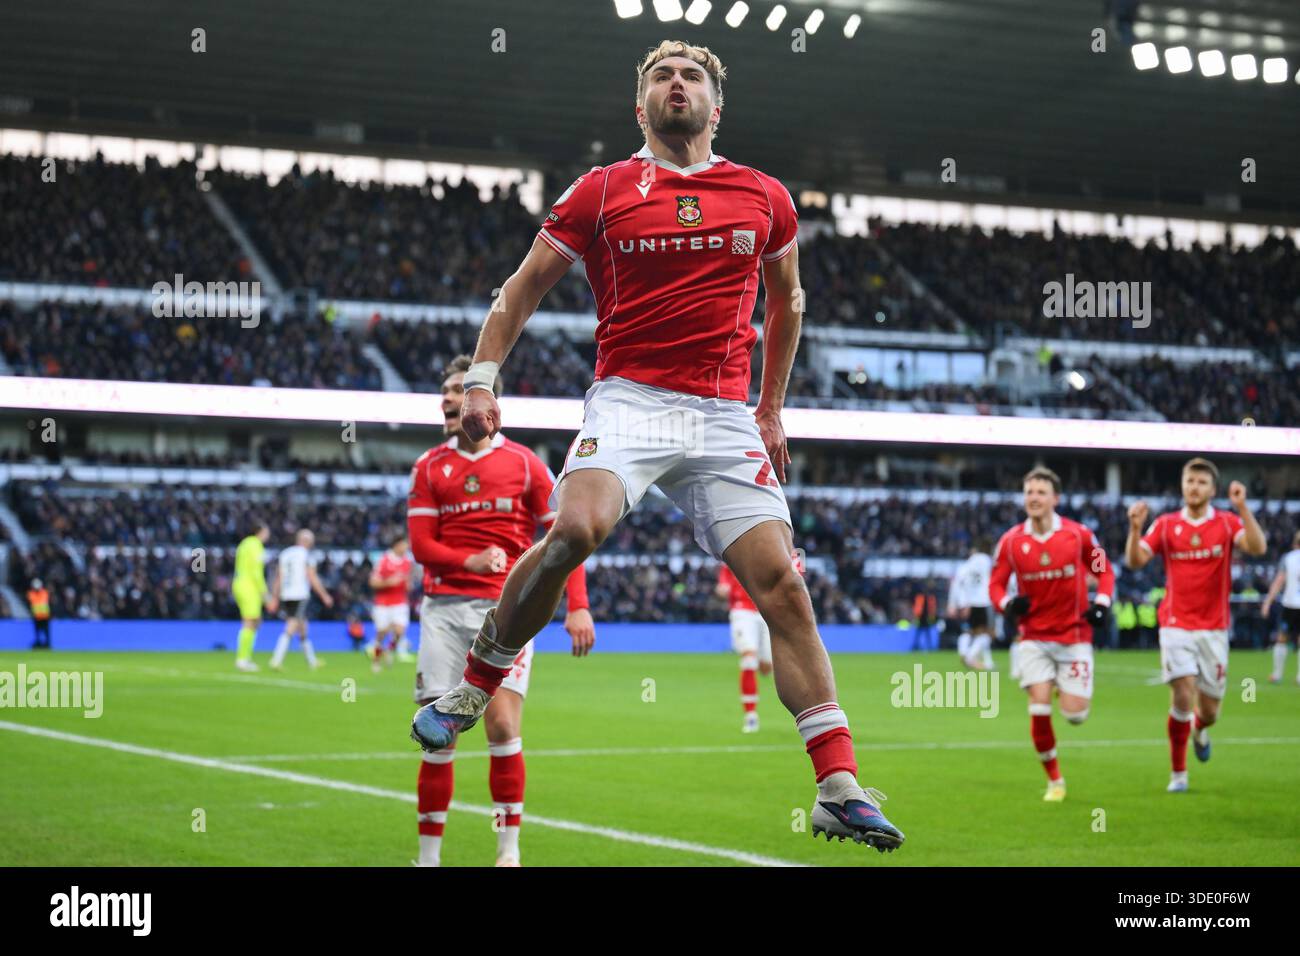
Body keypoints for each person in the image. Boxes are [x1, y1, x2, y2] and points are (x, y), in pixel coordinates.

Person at [409, 39, 904, 852]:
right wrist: (482, 381)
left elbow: (788, 306)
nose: (678, 86)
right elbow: (521, 287)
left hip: (720, 412)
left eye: (693, 77)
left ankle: (837, 783)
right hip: (632, 399)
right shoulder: (602, 190)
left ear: (718, 104)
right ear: (641, 107)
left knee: (781, 582)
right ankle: (477, 683)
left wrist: (770, 409)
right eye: (662, 78)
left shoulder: (765, 196)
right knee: (576, 530)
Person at [408, 356, 595, 868]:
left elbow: (564, 540)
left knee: (502, 729)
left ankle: (508, 854)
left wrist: (577, 606)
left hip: (505, 611)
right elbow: (421, 545)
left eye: (456, 391)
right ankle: (427, 859)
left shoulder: (525, 464)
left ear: (486, 405)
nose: (448, 399)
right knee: (435, 735)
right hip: (444, 611)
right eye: (445, 391)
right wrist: (468, 558)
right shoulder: (428, 466)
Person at [1125, 457, 1267, 793]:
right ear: (1182, 485)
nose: (1194, 487)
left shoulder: (1228, 523)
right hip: (1175, 623)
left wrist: (1243, 507)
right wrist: (1134, 529)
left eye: (1202, 482)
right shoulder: (1165, 524)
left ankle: (1200, 731)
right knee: (1183, 691)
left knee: (1210, 710)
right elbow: (1135, 561)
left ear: (1212, 490)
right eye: (1190, 481)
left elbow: (1258, 547)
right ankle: (1178, 774)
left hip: (1214, 628)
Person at [990, 467, 1113, 802]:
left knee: (1075, 715)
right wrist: (1008, 604)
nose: (1033, 497)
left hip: (1074, 637)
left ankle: (1063, 686)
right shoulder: (1012, 541)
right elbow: (995, 584)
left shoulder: (1080, 535)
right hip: (1033, 639)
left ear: (1055, 498)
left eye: (1041, 492)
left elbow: (1104, 570)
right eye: (1029, 491)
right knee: (1039, 705)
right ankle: (1055, 780)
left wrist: (1101, 603)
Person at [715, 548, 803, 733]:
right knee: (748, 658)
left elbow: (796, 574)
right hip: (742, 611)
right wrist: (723, 588)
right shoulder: (732, 550)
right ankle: (751, 716)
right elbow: (723, 580)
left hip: (766, 611)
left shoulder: (782, 548)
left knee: (766, 667)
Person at [268, 529, 334, 671]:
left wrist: (274, 597)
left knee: (302, 626)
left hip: (286, 595)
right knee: (292, 624)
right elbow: (312, 577)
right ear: (308, 541)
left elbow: (278, 577)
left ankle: (312, 661)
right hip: (300, 594)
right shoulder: (307, 555)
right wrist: (324, 595)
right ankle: (276, 660)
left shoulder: (285, 553)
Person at [368, 534, 415, 673]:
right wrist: (388, 582)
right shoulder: (383, 560)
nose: (407, 547)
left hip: (400, 602)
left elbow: (408, 581)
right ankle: (376, 661)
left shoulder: (407, 562)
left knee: (399, 631)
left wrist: (408, 585)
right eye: (404, 544)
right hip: (382, 603)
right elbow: (373, 582)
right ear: (397, 545)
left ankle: (389, 650)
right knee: (381, 633)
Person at [948, 539, 994, 670]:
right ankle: (970, 656)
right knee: (987, 633)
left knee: (971, 631)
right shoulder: (987, 560)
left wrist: (956, 603)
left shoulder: (965, 566)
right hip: (984, 601)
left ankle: (965, 653)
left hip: (968, 603)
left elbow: (958, 584)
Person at [1261, 531, 1300, 684]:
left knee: (1281, 638)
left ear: (1294, 542)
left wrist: (1267, 602)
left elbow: (1279, 581)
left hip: (1289, 604)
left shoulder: (1288, 558)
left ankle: (1277, 674)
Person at [231, 522, 271, 672]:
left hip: (239, 583)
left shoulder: (244, 543)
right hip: (249, 586)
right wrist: (264, 592)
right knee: (249, 622)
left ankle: (245, 657)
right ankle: (242, 659)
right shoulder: (256, 545)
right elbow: (256, 571)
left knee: (255, 622)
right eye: (267, 531)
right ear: (260, 531)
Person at [27, 578, 51, 650]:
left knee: (45, 632)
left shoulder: (44, 593)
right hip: (37, 616)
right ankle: (39, 643)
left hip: (44, 616)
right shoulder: (31, 594)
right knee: (37, 632)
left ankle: (47, 644)